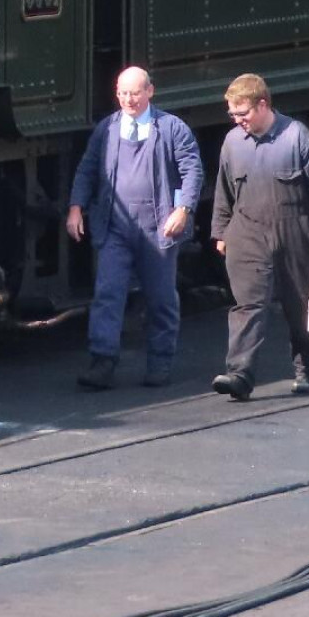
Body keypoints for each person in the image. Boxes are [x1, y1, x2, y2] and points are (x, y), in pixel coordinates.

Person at [209, 73, 309, 402]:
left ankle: (306, 371)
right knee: (247, 305)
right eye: (233, 115)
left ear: (263, 104)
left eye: (243, 113)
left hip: (294, 229)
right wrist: (221, 231)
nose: (238, 121)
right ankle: (239, 374)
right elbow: (224, 191)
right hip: (247, 230)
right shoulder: (231, 143)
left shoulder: (297, 136)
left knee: (299, 304)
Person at [67, 66, 204, 390]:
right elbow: (87, 168)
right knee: (108, 293)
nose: (128, 99)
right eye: (122, 93)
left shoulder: (172, 128)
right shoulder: (107, 129)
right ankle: (102, 361)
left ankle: (159, 363)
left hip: (159, 228)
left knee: (160, 298)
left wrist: (183, 209)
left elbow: (192, 170)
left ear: (150, 92)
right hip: (115, 226)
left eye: (135, 92)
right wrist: (76, 207)